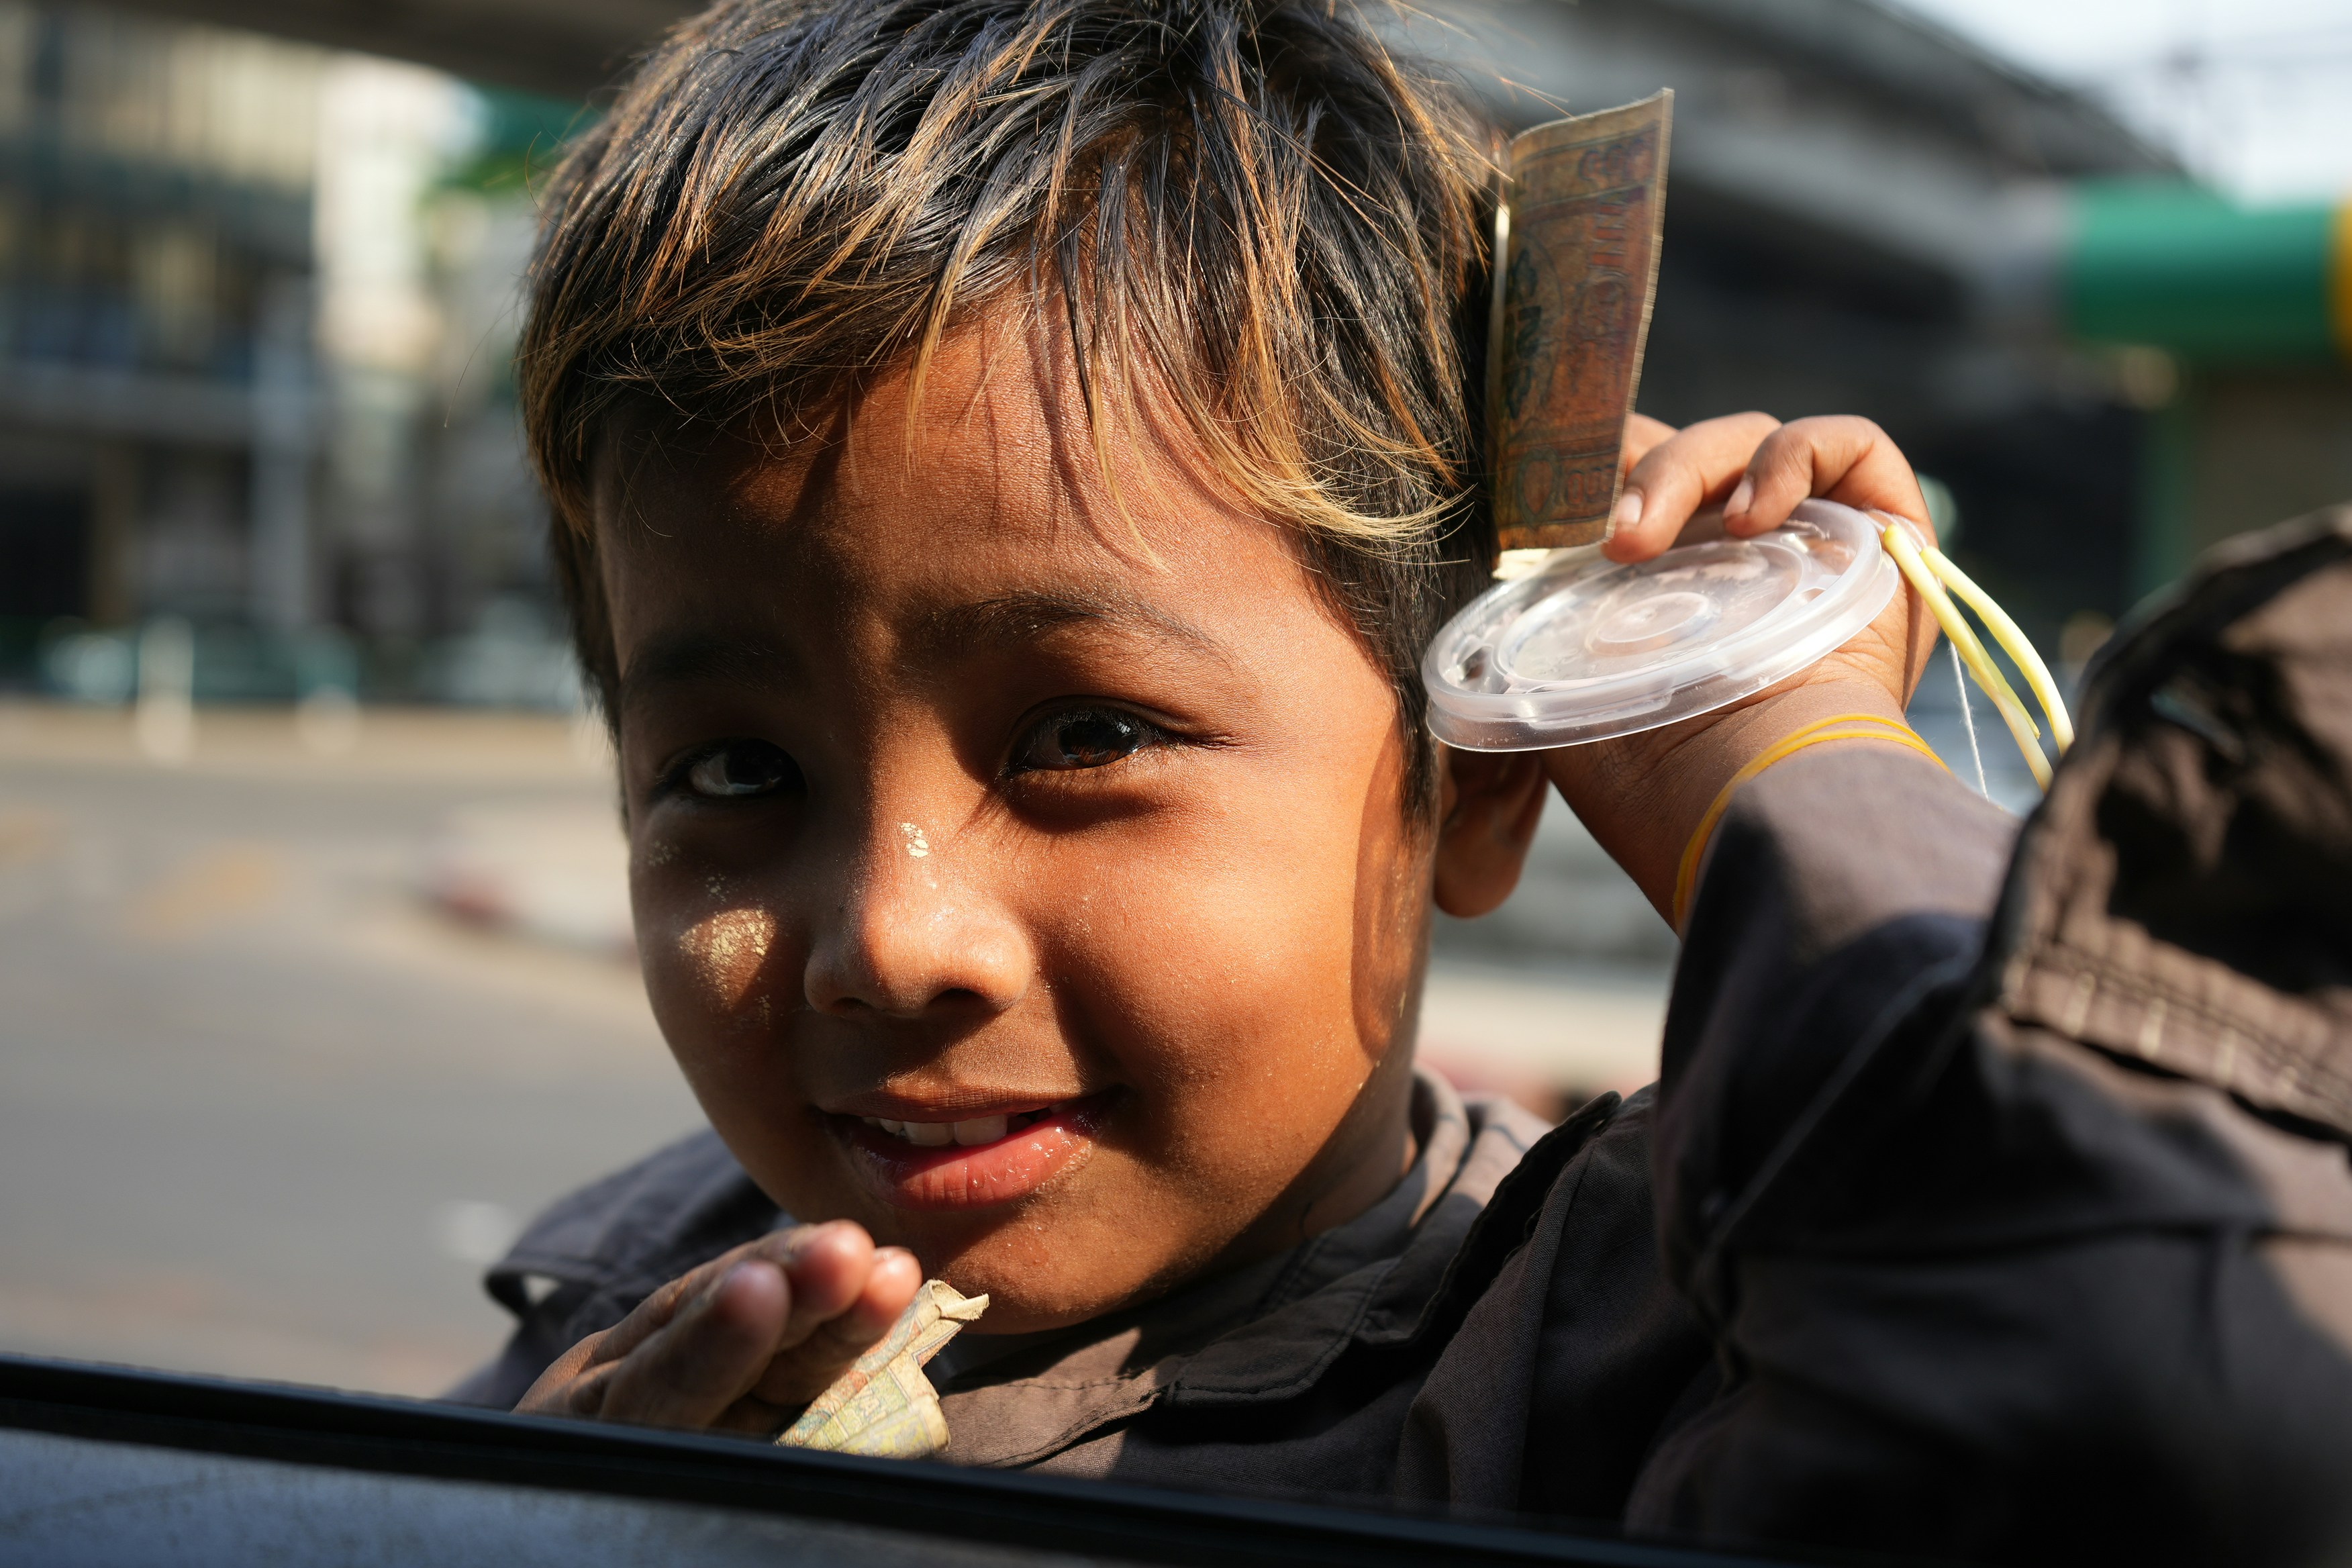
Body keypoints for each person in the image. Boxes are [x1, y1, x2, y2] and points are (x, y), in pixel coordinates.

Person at [449, 1, 2352, 1559]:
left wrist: (1774, 747)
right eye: (733, 767)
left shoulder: (1643, 1361)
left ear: (1474, 781)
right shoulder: (629, 1327)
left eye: (1085, 736)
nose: (890, 938)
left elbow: (2180, 1395)